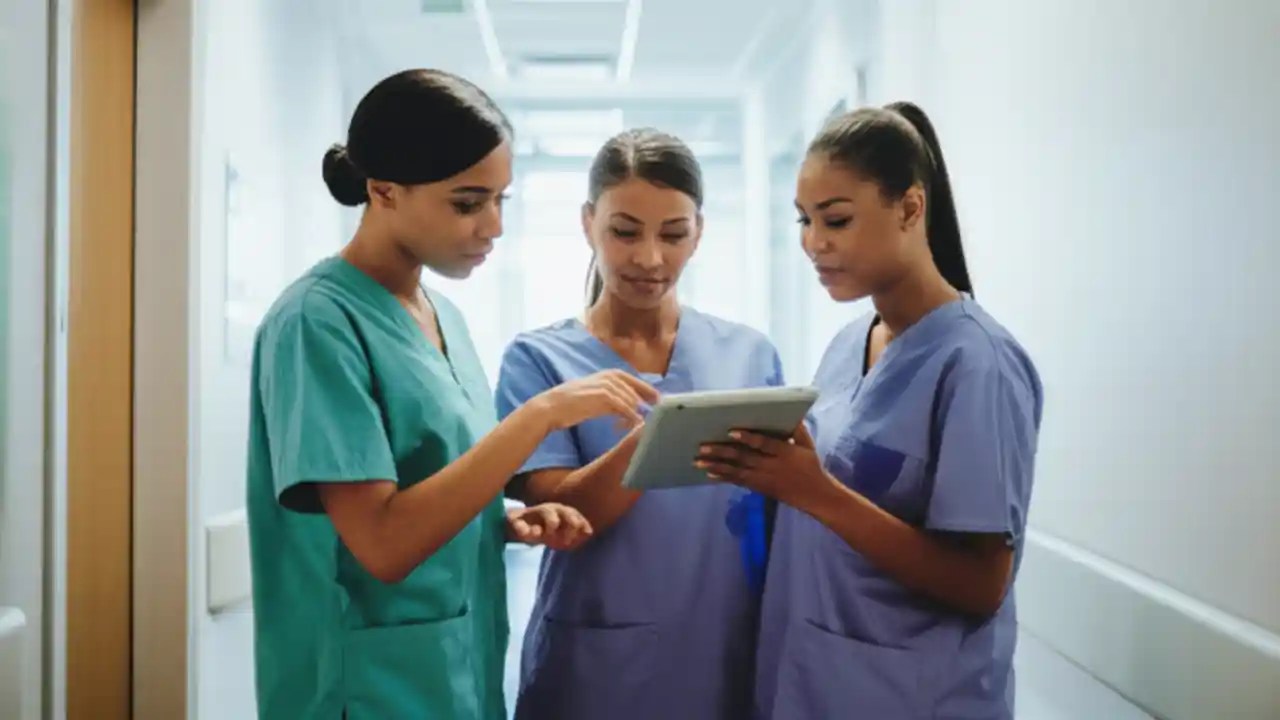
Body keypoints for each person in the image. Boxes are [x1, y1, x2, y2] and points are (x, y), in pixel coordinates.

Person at [244, 69, 659, 720]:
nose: (492, 226)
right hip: (362, 690)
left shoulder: (443, 319)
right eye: (468, 203)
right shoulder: (316, 323)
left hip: (456, 678)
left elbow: (436, 488)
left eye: (501, 200)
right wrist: (541, 416)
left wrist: (498, 523)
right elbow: (381, 544)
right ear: (383, 191)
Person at [696, 102, 1044, 719]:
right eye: (804, 221)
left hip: (915, 695)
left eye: (836, 220)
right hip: (814, 680)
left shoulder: (978, 363)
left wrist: (815, 491)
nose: (814, 243)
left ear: (910, 207)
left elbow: (981, 585)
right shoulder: (850, 341)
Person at [494, 128, 785, 720]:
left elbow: (778, 517)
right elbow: (567, 519)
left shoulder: (749, 356)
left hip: (724, 653)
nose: (650, 259)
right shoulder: (539, 361)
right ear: (588, 224)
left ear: (698, 232)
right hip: (594, 669)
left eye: (674, 234)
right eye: (624, 231)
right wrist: (663, 435)